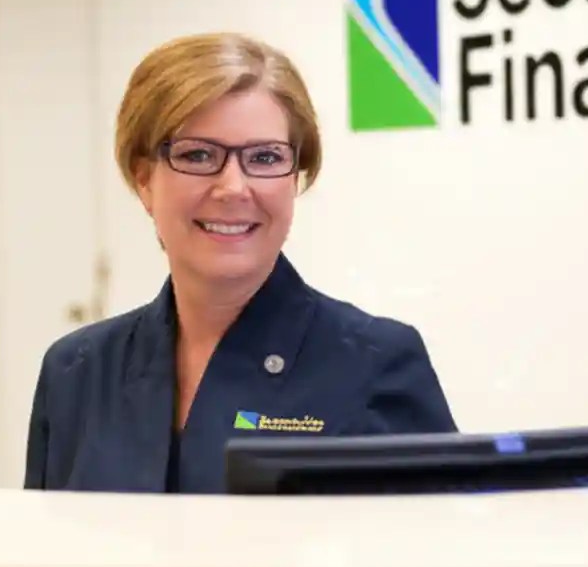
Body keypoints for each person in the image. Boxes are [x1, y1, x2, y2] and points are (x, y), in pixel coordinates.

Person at [24, 32, 456, 493]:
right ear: (144, 178)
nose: (234, 187)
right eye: (198, 155)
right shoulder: (76, 372)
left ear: (295, 178)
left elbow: (435, 557)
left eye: (265, 157)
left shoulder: (376, 365)